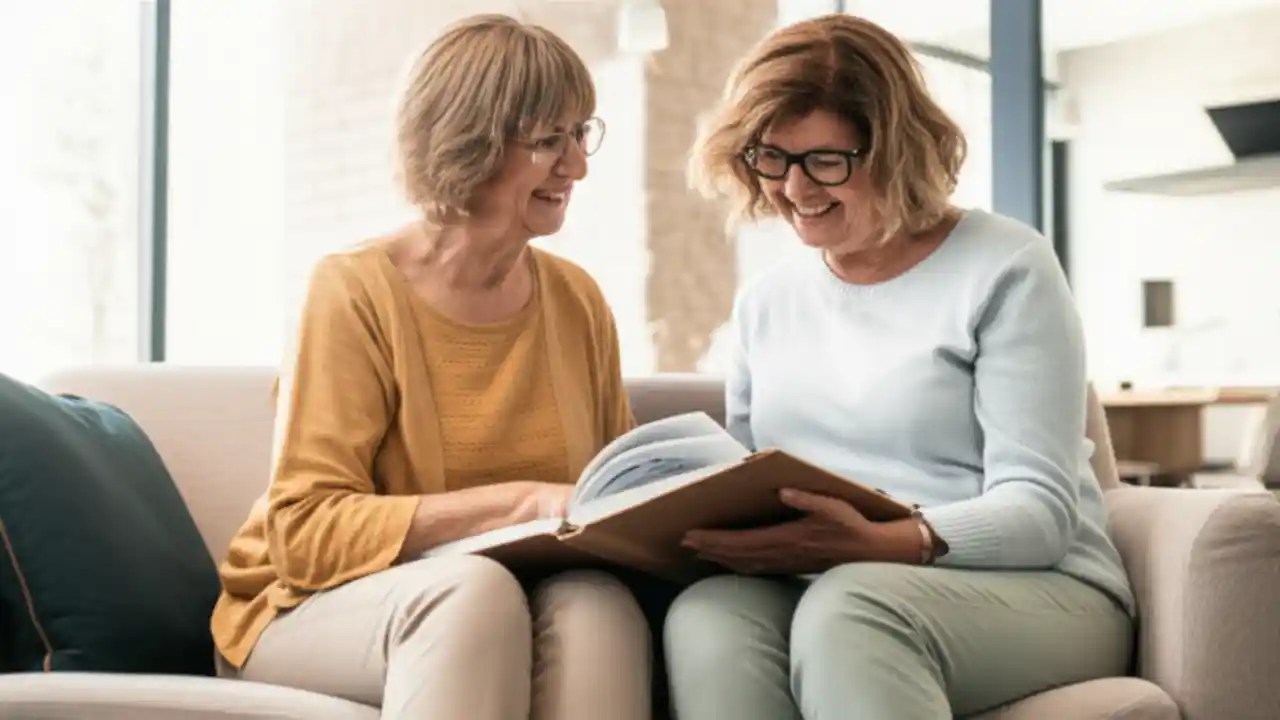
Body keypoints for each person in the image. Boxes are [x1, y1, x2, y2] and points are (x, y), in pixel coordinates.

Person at [665, 13, 1136, 720]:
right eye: (772, 158)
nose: (795, 190)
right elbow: (753, 477)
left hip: (1041, 587)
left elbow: (1040, 513)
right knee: (708, 614)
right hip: (832, 576)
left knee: (852, 609)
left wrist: (888, 542)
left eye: (826, 161)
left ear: (896, 151)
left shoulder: (1006, 266)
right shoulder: (767, 303)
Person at [211, 15, 655, 720]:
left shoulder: (576, 300)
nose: (577, 166)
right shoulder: (353, 290)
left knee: (598, 607)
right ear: (469, 144)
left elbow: (602, 497)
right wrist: (526, 501)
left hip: (495, 598)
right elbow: (304, 535)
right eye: (548, 141)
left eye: (581, 134)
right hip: (308, 611)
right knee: (471, 592)